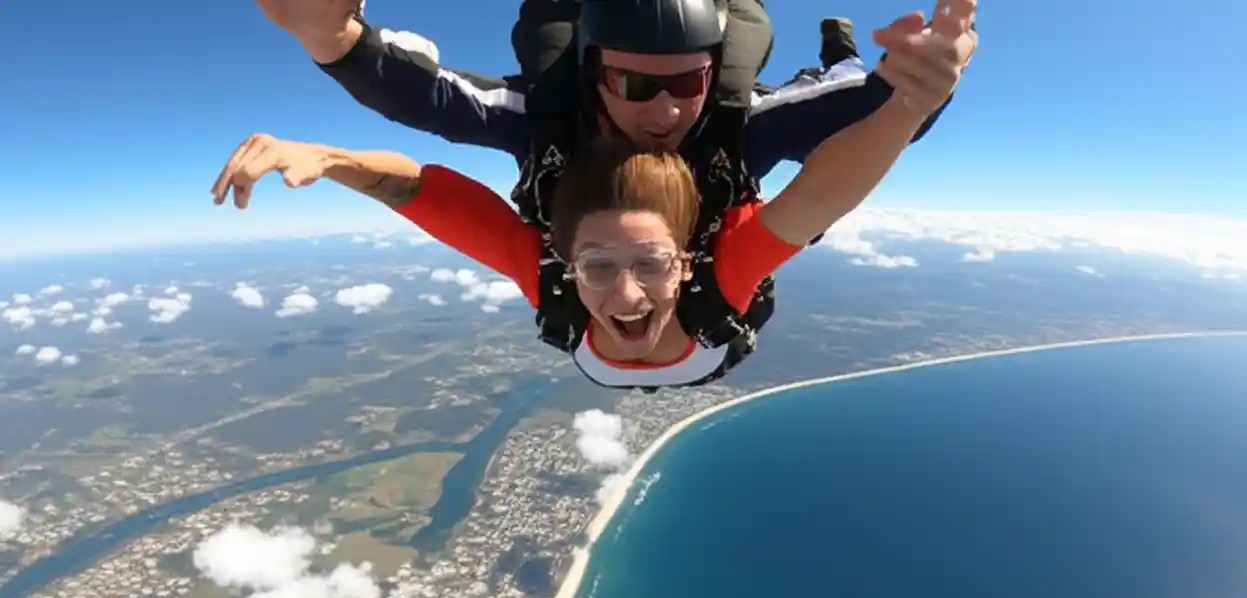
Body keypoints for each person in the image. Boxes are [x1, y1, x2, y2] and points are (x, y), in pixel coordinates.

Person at [211, 2, 977, 392]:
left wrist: (332, 75)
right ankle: (838, 55)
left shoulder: (551, 279)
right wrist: (914, 98)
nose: (629, 295)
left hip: (651, 107)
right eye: (640, 87)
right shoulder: (717, 284)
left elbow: (420, 183)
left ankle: (827, 56)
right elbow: (823, 196)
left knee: (838, 96)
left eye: (688, 86)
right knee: (860, 103)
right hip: (717, 180)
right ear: (684, 264)